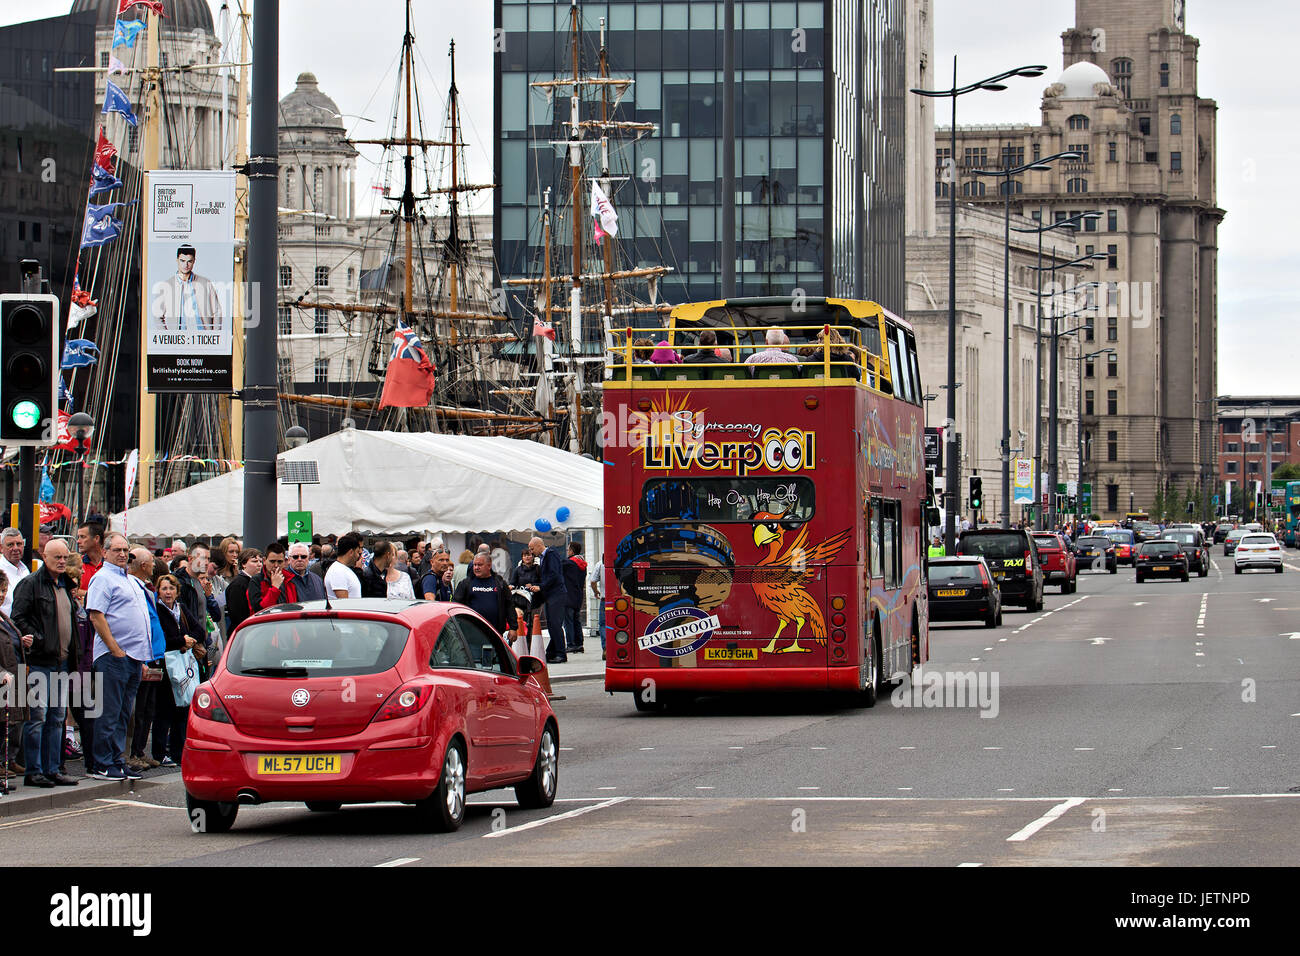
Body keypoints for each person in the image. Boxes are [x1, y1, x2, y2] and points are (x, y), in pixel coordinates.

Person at [11, 539, 80, 788]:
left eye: (64, 557)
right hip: (40, 661)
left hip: (61, 661)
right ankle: (34, 771)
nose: (62, 562)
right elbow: (18, 618)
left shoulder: (65, 585)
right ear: (44, 556)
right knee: (37, 718)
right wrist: (38, 640)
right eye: (57, 557)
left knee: (57, 717)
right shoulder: (30, 584)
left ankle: (52, 769)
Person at [85, 533, 151, 781]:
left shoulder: (129, 580)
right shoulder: (102, 578)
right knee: (109, 712)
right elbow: (96, 615)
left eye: (126, 551)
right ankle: (102, 763)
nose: (123, 555)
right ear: (105, 552)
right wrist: (115, 649)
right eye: (117, 550)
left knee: (124, 714)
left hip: (133, 657)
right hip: (114, 656)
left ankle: (116, 759)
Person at [152, 573, 200, 767]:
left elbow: (199, 630)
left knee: (182, 708)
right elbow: (160, 639)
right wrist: (181, 641)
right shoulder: (157, 610)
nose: (168, 592)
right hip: (165, 666)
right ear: (158, 591)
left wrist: (189, 640)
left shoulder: (181, 609)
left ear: (177, 591)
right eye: (164, 589)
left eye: (171, 588)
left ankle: (178, 751)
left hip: (183, 664)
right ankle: (159, 752)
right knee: (164, 711)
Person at [126, 549, 167, 772]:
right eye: (151, 562)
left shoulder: (147, 588)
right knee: (138, 709)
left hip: (155, 654)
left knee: (149, 708)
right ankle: (132, 752)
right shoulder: (134, 587)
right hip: (143, 654)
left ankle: (140, 750)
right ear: (143, 565)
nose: (154, 566)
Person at [151, 243, 223, 331]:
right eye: (182, 261)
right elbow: (157, 316)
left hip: (202, 339)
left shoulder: (205, 283)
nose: (186, 265)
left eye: (189, 261)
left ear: (194, 261)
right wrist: (167, 338)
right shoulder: (166, 286)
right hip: (177, 340)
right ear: (177, 260)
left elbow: (217, 312)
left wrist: (214, 337)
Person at [0, 571, 24, 794]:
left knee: (5, 727)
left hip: (10, 682)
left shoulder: (4, 617)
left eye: (3, 590)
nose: (1, 594)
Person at [452, 553, 512, 634]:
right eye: (475, 565)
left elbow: (509, 605)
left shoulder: (500, 583)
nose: (476, 568)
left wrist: (513, 627)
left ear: (489, 566)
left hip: (495, 633)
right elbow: (456, 605)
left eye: (479, 565)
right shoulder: (465, 583)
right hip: (471, 633)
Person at [531, 536, 568, 664]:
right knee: (552, 624)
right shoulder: (544, 557)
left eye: (532, 549)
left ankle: (560, 653)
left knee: (555, 624)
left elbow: (553, 575)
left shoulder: (551, 554)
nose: (531, 552)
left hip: (556, 594)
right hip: (551, 595)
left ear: (538, 546)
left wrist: (541, 586)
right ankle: (552, 652)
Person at [260, 541, 328, 606]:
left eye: (303, 557)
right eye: (295, 557)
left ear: (308, 558)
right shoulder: (281, 579)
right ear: (289, 560)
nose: (299, 559)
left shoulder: (317, 579)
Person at [223, 549, 264, 632]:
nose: (259, 564)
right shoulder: (238, 584)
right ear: (244, 564)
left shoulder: (256, 581)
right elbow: (238, 615)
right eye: (254, 561)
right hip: (243, 631)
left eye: (260, 561)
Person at [562, 542, 588, 654]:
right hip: (578, 596)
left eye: (568, 549)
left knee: (568, 621)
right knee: (576, 621)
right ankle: (579, 644)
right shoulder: (583, 564)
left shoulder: (569, 563)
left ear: (572, 550)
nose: (567, 551)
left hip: (568, 596)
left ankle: (571, 644)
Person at [510, 548, 543, 634]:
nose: (527, 557)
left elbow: (542, 583)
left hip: (535, 601)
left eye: (529, 555)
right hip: (520, 599)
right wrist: (510, 586)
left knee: (532, 622)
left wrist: (533, 585)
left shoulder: (538, 569)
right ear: (522, 557)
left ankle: (530, 641)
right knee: (520, 618)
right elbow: (513, 582)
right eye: (525, 555)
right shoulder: (517, 569)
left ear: (533, 557)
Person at [0, 528, 29, 617]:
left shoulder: (25, 570)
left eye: (19, 544)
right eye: (10, 545)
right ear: (1, 548)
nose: (15, 548)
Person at [325, 533, 363, 599]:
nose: (358, 556)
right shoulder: (337, 571)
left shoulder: (342, 569)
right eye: (357, 552)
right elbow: (343, 603)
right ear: (351, 552)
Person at [77, 521, 105, 590]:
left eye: (82, 537)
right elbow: (73, 591)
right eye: (78, 537)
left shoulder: (111, 563)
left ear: (96, 539)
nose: (78, 541)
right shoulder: (78, 564)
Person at [588, 556, 605, 659]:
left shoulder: (600, 564)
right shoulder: (623, 562)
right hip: (623, 599)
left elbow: (593, 581)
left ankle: (606, 649)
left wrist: (596, 592)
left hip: (605, 599)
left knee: (604, 624)